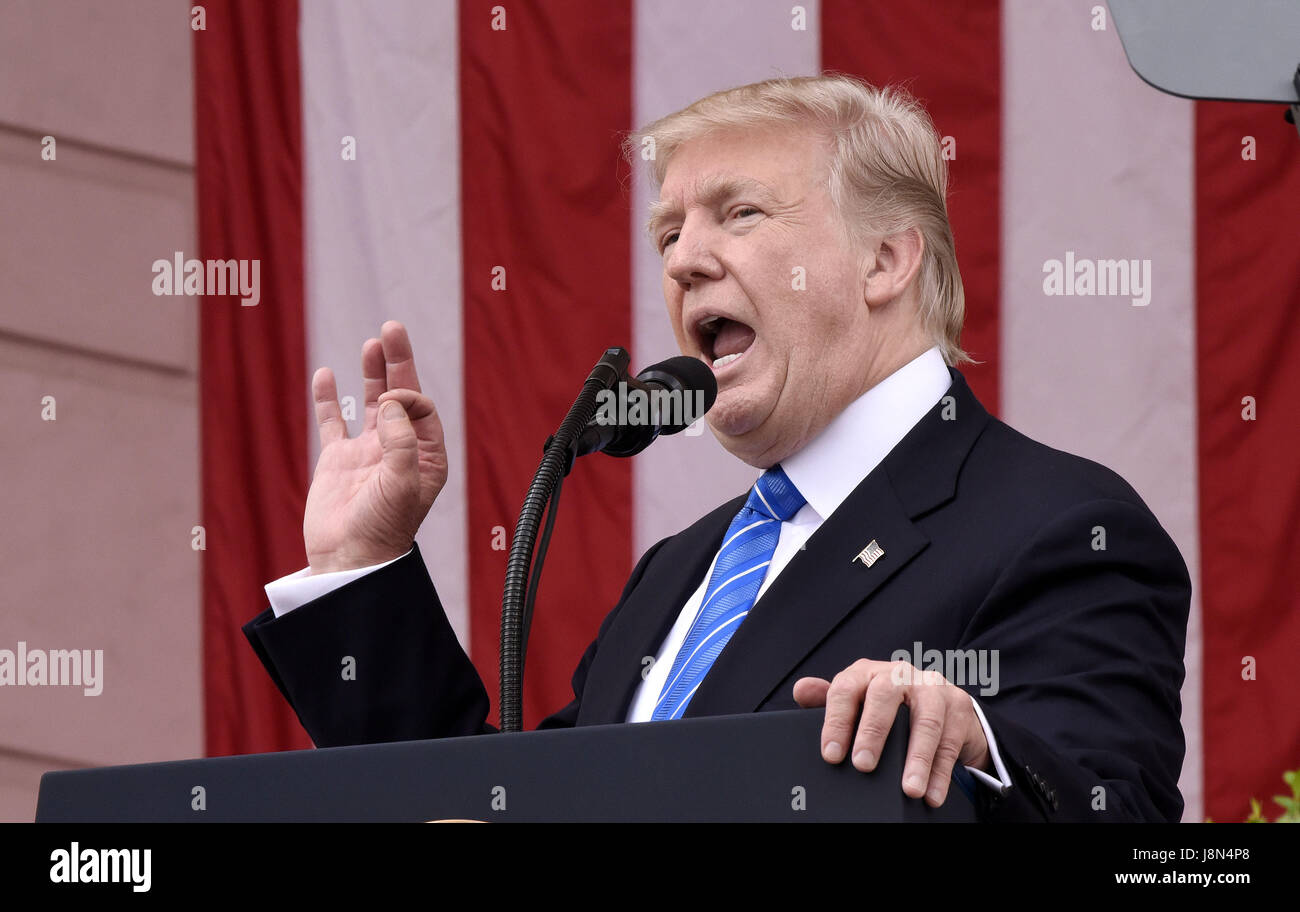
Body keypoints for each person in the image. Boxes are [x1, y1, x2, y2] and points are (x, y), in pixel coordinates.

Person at [243, 75, 1190, 822]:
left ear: (885, 261)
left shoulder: (1060, 525)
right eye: (668, 232)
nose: (683, 260)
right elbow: (486, 816)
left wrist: (973, 742)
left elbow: (1121, 821)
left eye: (739, 214)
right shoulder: (678, 573)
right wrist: (360, 566)